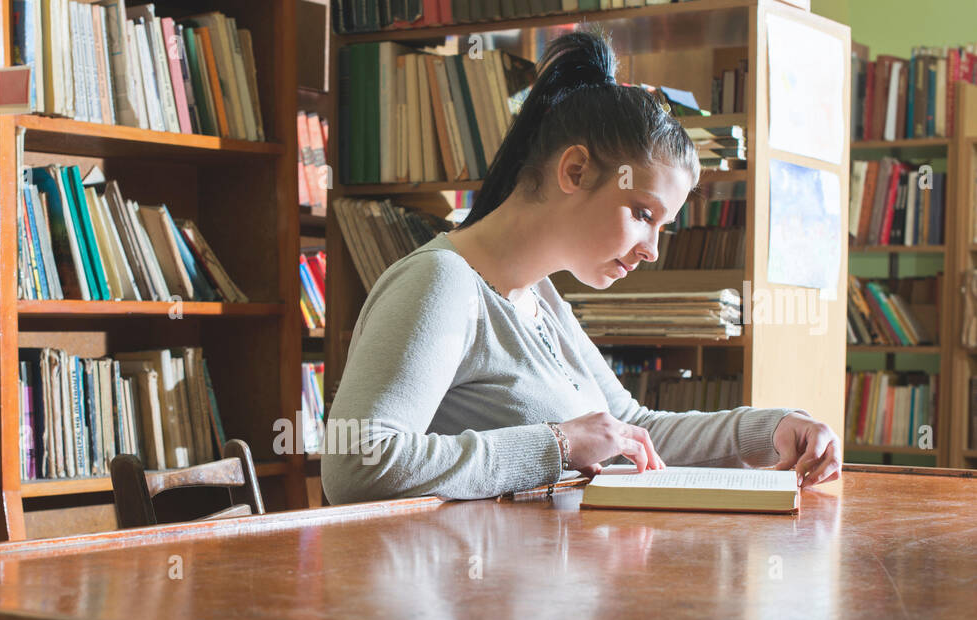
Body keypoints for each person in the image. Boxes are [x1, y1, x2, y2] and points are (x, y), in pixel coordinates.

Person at [321, 30, 842, 505]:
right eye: (643, 214)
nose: (652, 251)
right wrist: (560, 444)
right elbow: (356, 464)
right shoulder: (440, 284)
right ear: (574, 170)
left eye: (663, 227)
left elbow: (631, 428)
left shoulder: (540, 296)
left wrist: (771, 428)